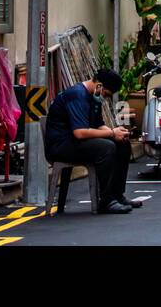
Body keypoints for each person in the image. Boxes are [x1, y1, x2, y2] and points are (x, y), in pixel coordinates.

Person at [44, 68, 142, 214]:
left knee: (122, 143)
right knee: (106, 147)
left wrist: (116, 132)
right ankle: (106, 200)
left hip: (76, 142)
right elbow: (80, 132)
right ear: (100, 86)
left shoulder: (94, 98)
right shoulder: (77, 95)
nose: (106, 98)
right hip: (62, 145)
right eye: (107, 94)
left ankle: (117, 195)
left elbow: (97, 124)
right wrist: (111, 133)